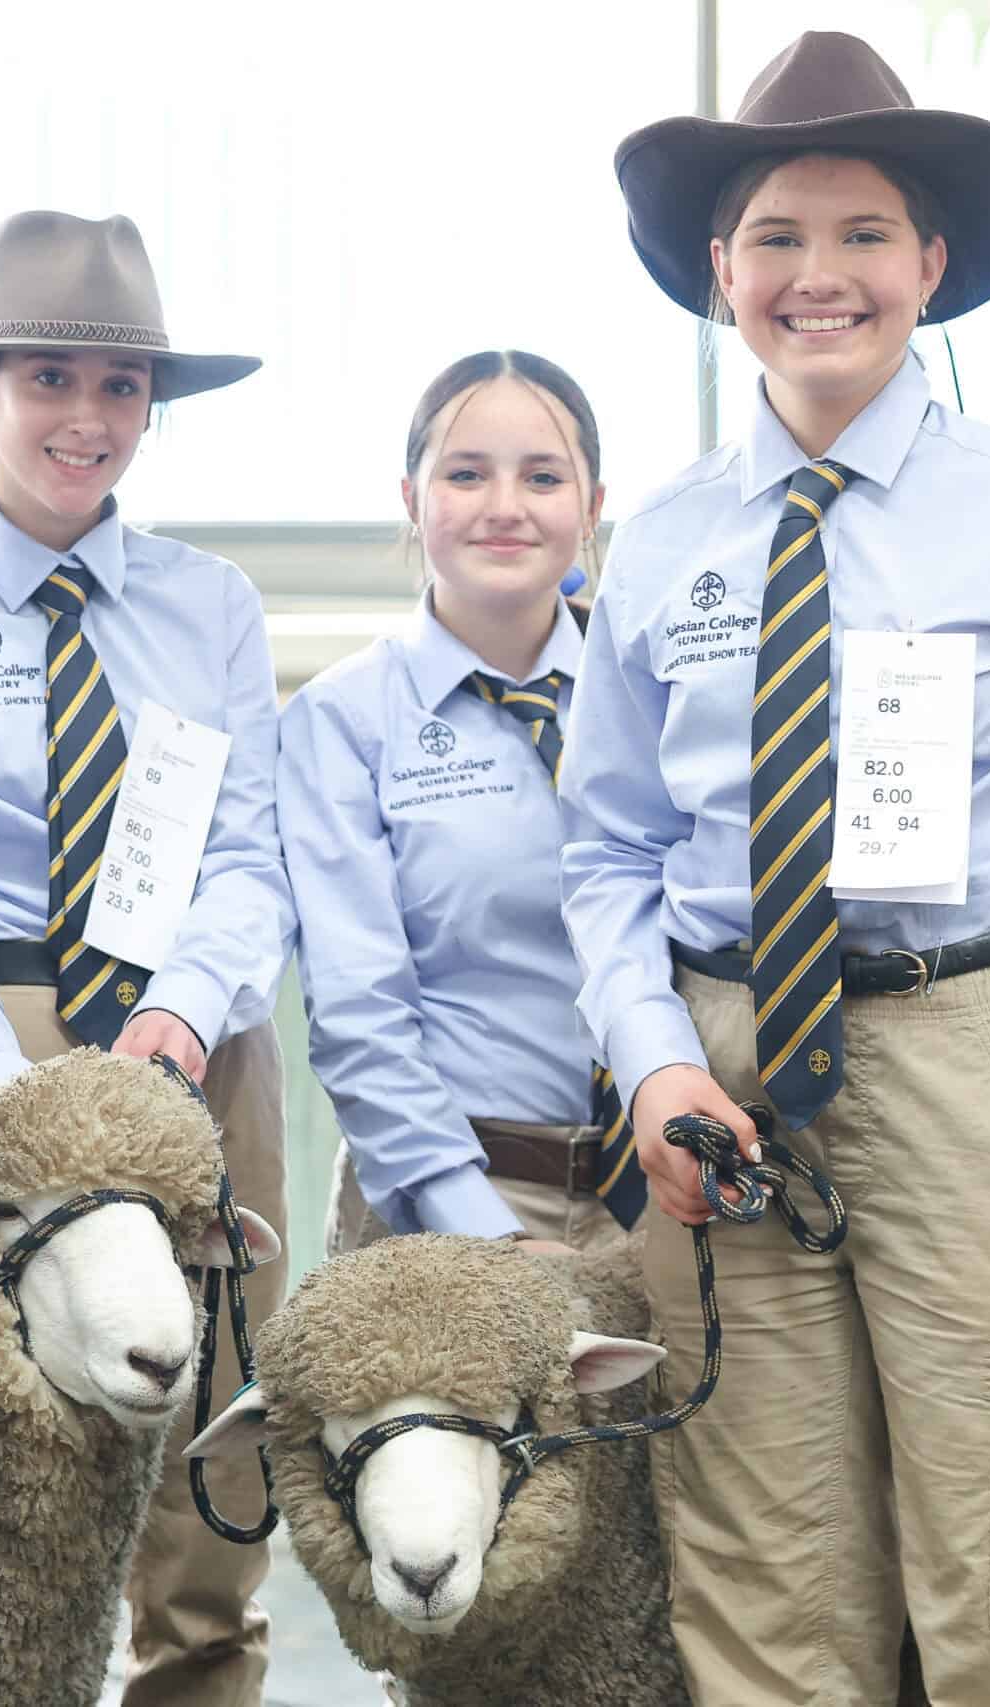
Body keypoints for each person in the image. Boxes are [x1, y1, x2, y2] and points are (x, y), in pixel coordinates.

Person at [565, 32, 990, 1703]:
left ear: (931, 265)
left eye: (863, 233)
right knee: (762, 1583)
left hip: (982, 1057)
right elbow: (609, 846)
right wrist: (651, 1060)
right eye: (777, 236)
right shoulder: (661, 543)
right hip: (722, 1073)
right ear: (721, 274)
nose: (821, 275)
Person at [0, 209, 293, 1707]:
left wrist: (185, 1015)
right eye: (49, 380)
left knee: (213, 1403)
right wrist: (7, 1094)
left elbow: (248, 852)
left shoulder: (211, 606)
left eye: (120, 386)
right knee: (4, 1430)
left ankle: (201, 1674)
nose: (86, 418)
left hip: (193, 1035)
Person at [281, 349, 638, 1258]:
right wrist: (486, 1232)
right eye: (466, 474)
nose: (505, 506)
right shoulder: (344, 720)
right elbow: (360, 1014)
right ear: (412, 498)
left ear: (593, 506)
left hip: (668, 1202)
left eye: (544, 477)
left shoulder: (649, 693)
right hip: (446, 1205)